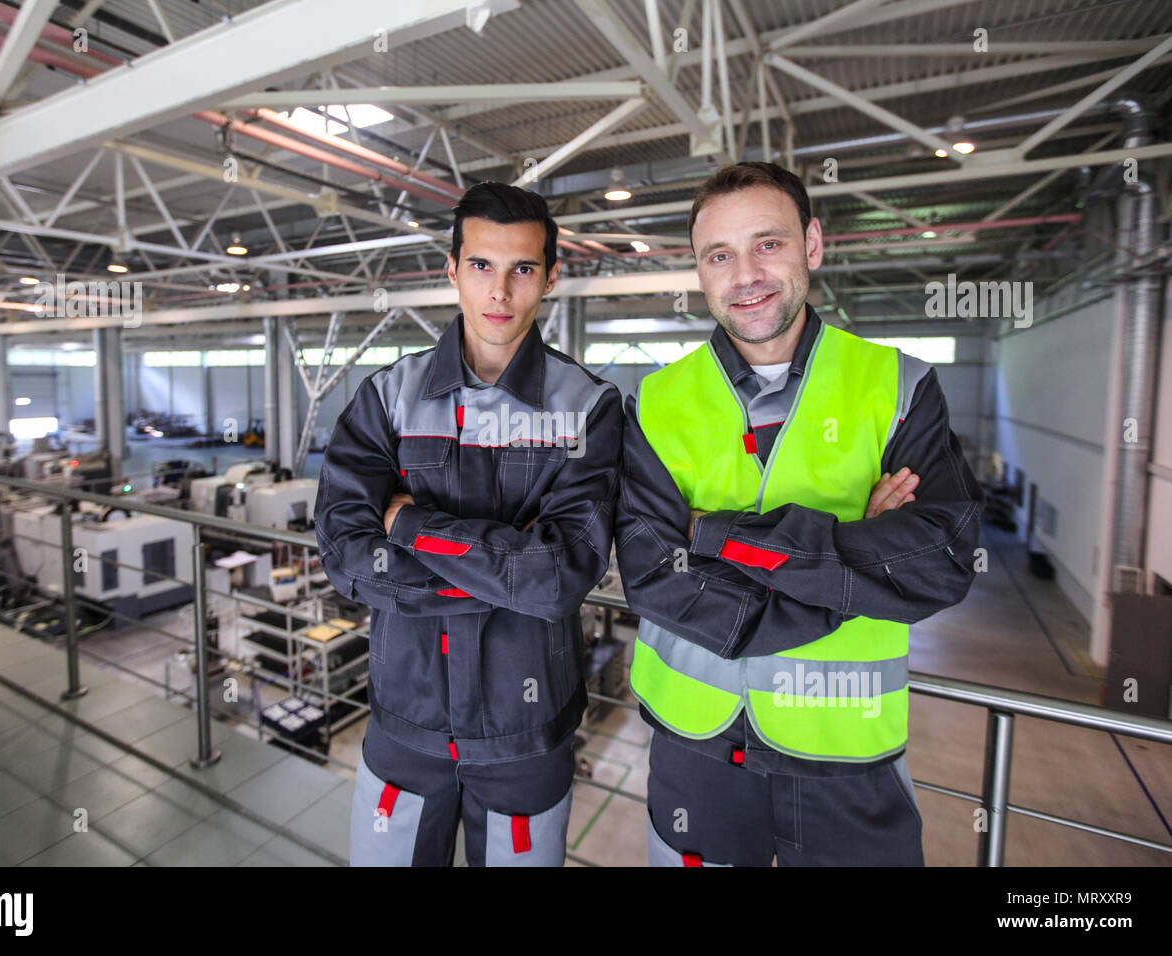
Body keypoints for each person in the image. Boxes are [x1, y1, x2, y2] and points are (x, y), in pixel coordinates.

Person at [615, 161, 983, 866]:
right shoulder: (655, 404)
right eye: (719, 255)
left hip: (845, 749)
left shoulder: (897, 385)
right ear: (699, 270)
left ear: (812, 244)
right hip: (694, 751)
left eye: (768, 244)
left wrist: (710, 534)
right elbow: (655, 579)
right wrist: (856, 558)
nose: (745, 274)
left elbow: (940, 562)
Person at [315, 181, 621, 866]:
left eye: (522, 269)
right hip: (404, 724)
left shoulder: (590, 409)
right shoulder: (388, 397)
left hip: (526, 735)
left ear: (551, 276)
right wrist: (500, 575)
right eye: (481, 265)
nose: (500, 293)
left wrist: (408, 524)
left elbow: (558, 578)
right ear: (451, 270)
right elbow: (342, 547)